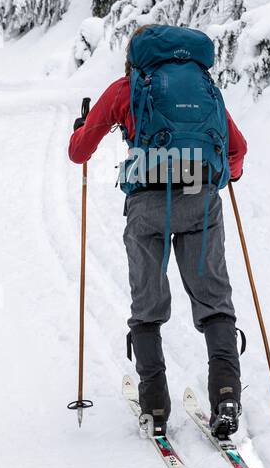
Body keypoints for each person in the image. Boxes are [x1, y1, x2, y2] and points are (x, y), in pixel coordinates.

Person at [68, 24, 248, 439]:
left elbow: (79, 152)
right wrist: (226, 178)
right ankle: (226, 395)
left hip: (147, 204)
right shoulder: (205, 87)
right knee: (214, 300)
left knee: (147, 304)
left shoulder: (128, 88)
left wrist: (81, 128)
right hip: (200, 201)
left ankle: (155, 406)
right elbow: (236, 149)